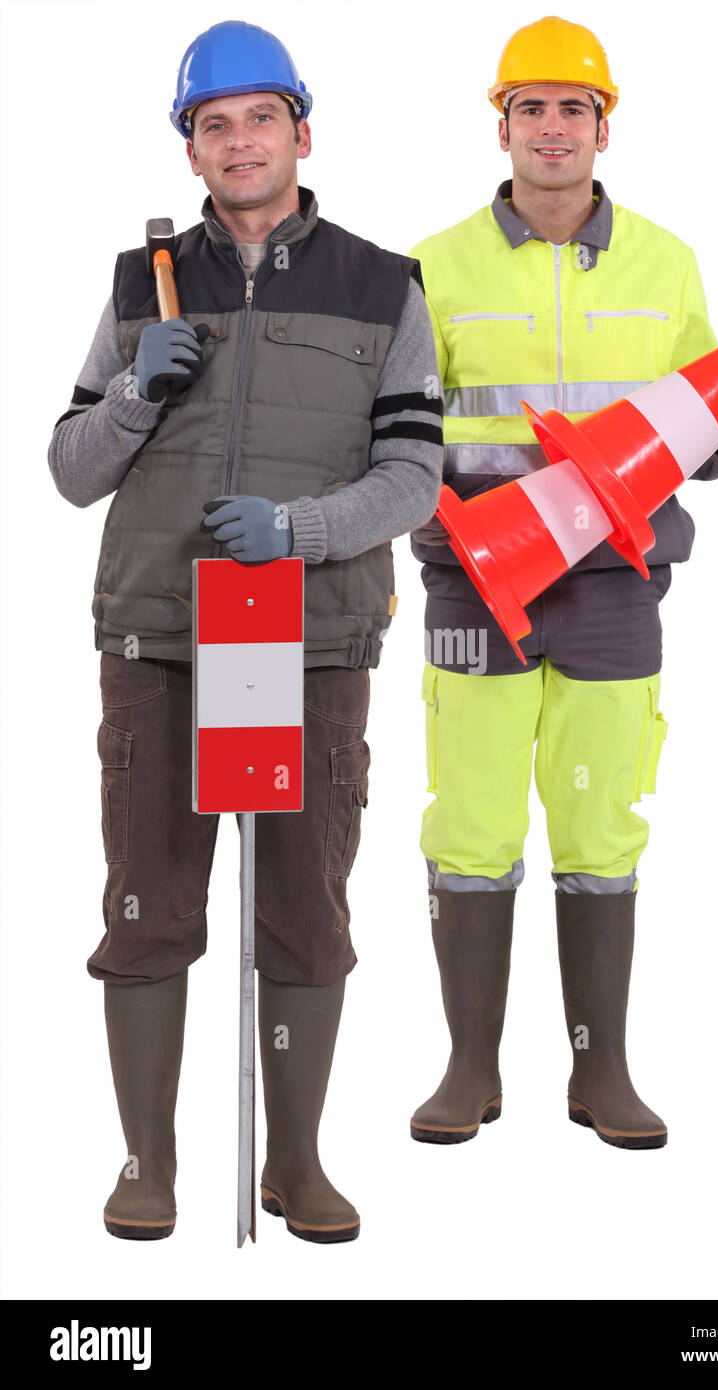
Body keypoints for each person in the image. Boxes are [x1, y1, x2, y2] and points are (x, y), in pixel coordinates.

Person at [48, 19, 443, 1242]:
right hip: (161, 641)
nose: (237, 140)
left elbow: (415, 476)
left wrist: (302, 524)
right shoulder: (139, 283)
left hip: (307, 641)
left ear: (300, 133)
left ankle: (298, 1162)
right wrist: (131, 394)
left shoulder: (383, 284)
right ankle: (146, 1162)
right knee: (149, 900)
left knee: (303, 908)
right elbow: (69, 470)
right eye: (211, 125)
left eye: (258, 118)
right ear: (192, 152)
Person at [407, 16, 718, 1149]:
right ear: (503, 125)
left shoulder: (665, 262)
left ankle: (598, 1071)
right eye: (530, 107)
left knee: (598, 819)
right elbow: (401, 432)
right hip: (475, 579)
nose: (551, 127)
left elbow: (693, 425)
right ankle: (468, 1067)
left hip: (615, 580)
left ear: (601, 126)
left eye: (571, 108)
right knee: (470, 818)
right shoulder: (432, 264)